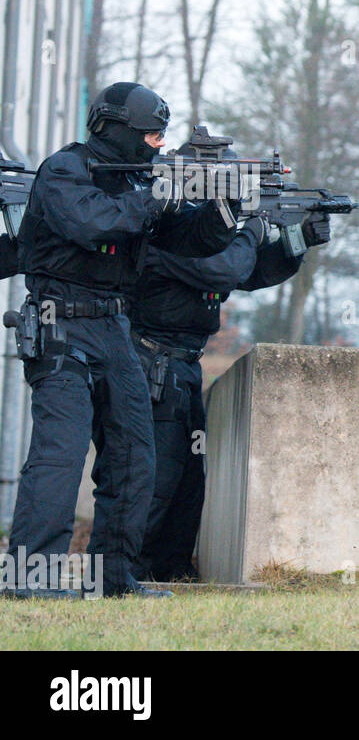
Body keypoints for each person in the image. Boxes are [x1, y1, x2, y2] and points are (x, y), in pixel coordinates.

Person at [2, 82, 240, 599]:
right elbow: (94, 222)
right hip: (59, 321)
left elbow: (190, 240)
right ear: (116, 130)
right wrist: (158, 193)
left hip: (115, 328)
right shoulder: (64, 170)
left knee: (136, 457)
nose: (158, 144)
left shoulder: (141, 179)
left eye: (161, 136)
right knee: (58, 455)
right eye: (151, 134)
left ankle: (112, 579)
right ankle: (28, 578)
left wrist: (225, 209)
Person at [128, 138, 329, 582]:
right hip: (149, 363)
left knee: (186, 481)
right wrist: (252, 231)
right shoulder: (168, 227)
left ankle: (169, 569)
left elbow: (251, 273)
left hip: (180, 366)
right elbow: (221, 269)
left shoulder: (206, 234)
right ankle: (129, 571)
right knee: (156, 477)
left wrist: (296, 242)